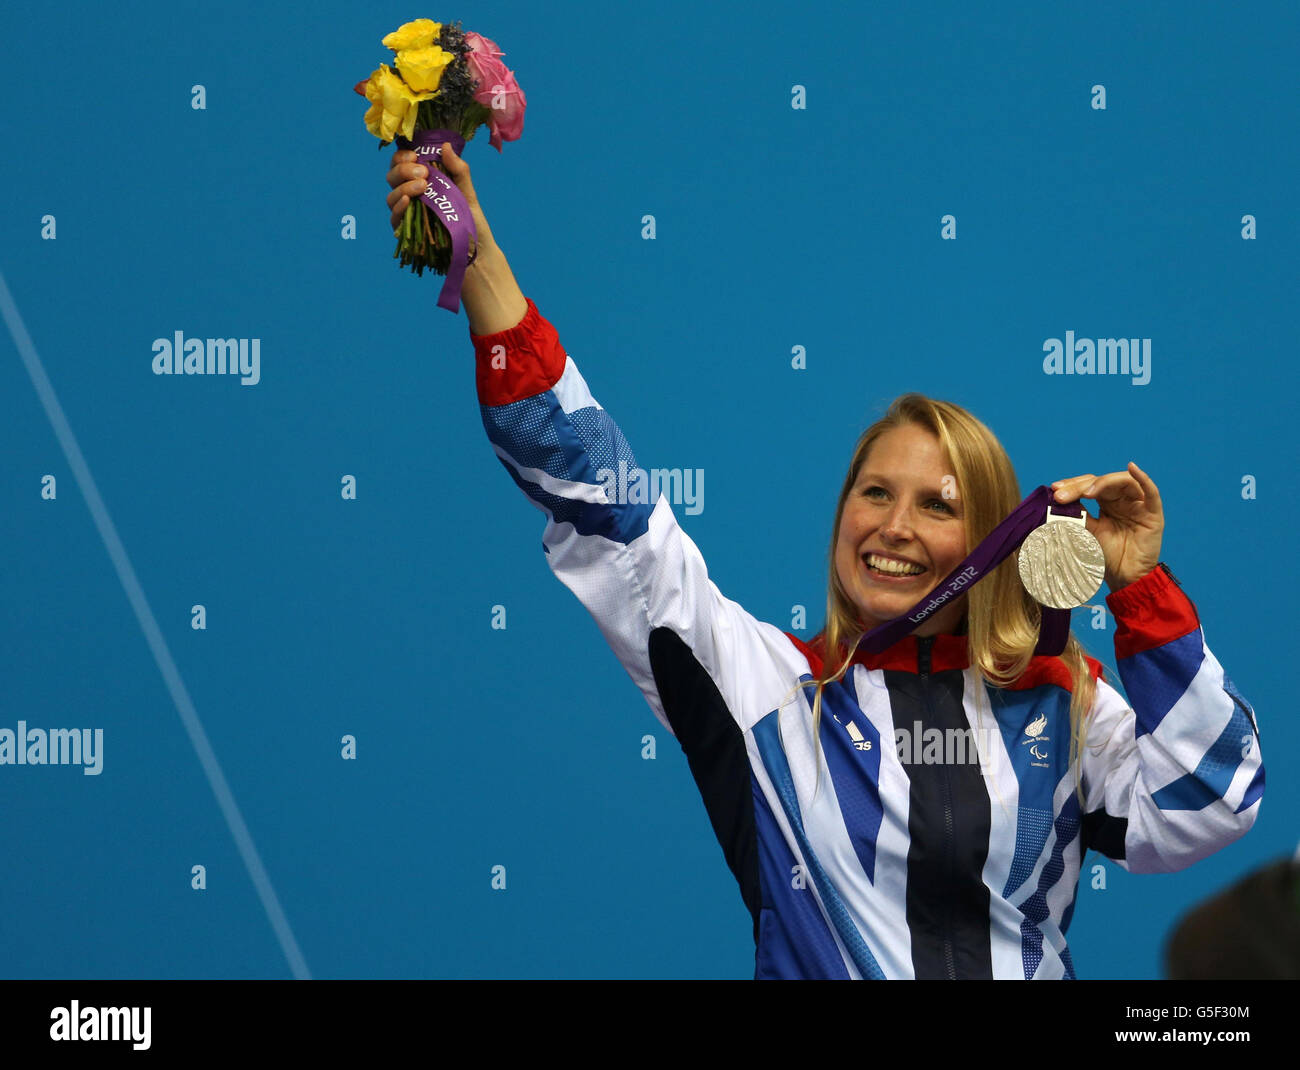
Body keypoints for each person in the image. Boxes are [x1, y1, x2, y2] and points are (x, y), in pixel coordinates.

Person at [384, 145, 1265, 979]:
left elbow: (1211, 801)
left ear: (994, 541)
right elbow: (606, 505)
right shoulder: (770, 691)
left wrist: (1140, 588)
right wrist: (483, 262)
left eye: (939, 506)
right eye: (875, 493)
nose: (895, 527)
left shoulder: (1063, 706)